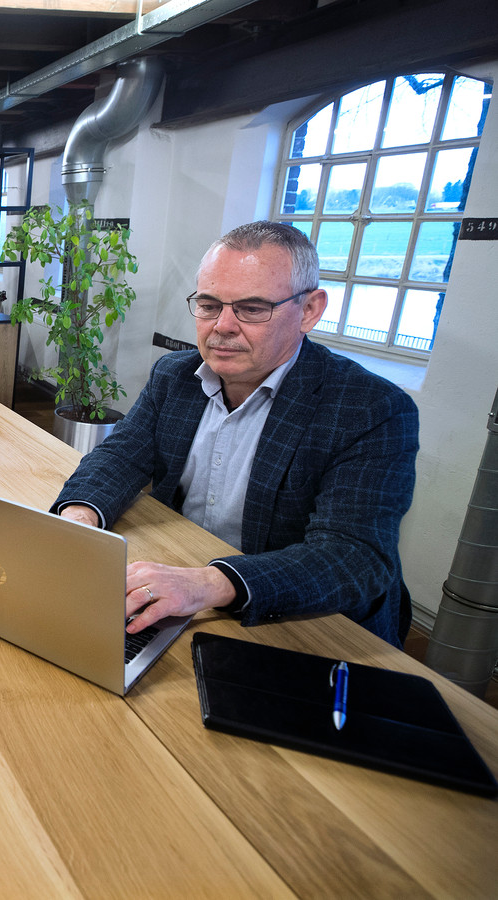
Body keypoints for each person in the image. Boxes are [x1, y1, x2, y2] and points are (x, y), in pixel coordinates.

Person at [54, 221, 419, 647]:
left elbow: (352, 557)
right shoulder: (174, 375)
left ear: (309, 310)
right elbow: (120, 456)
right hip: (180, 577)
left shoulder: (371, 409)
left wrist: (210, 583)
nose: (222, 326)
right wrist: (80, 518)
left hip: (298, 622)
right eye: (209, 305)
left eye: (252, 308)